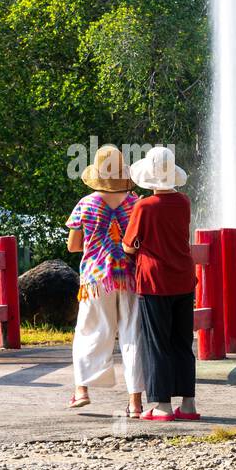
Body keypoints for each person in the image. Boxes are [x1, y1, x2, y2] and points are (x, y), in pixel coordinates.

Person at [65, 144, 144, 417]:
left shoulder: (86, 204)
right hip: (131, 276)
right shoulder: (136, 203)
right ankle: (135, 402)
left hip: (97, 278)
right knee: (134, 335)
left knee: (91, 332)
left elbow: (73, 245)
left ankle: (82, 390)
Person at [123, 146, 199, 421]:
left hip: (154, 280)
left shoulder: (144, 206)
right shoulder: (184, 202)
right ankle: (188, 404)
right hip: (184, 277)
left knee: (157, 343)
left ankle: (162, 404)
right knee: (182, 341)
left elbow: (129, 245)